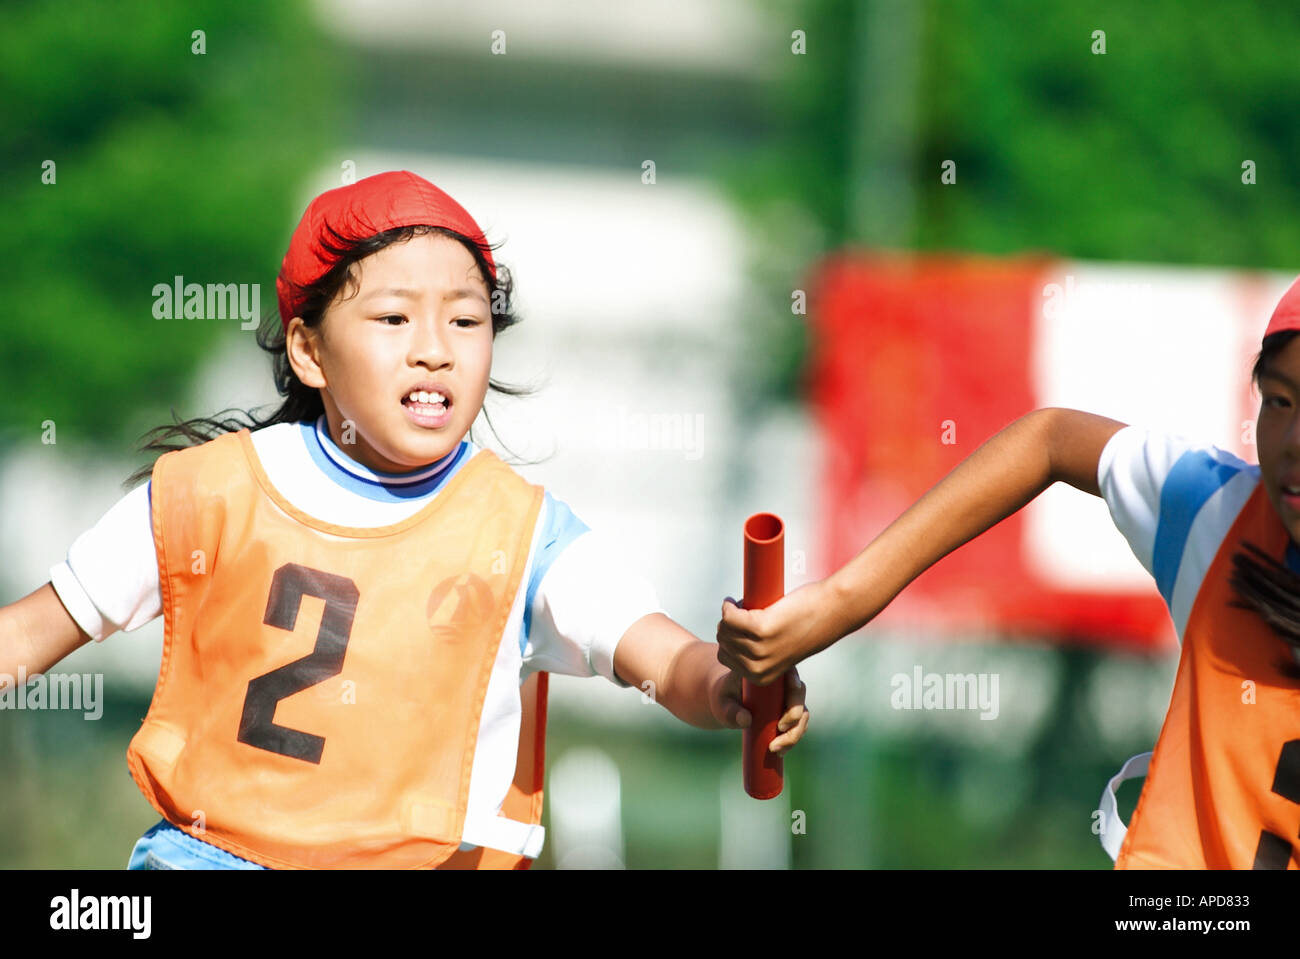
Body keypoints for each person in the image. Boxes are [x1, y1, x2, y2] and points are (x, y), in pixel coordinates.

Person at [0, 170, 809, 870]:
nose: (435, 348)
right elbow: (25, 637)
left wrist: (734, 683)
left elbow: (665, 662)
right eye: (394, 320)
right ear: (309, 351)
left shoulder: (522, 535)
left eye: (465, 320)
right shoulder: (209, 493)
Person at [717, 277, 1300, 869]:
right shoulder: (1221, 513)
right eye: (1279, 401)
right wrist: (837, 603)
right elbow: (1050, 439)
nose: (1294, 440)